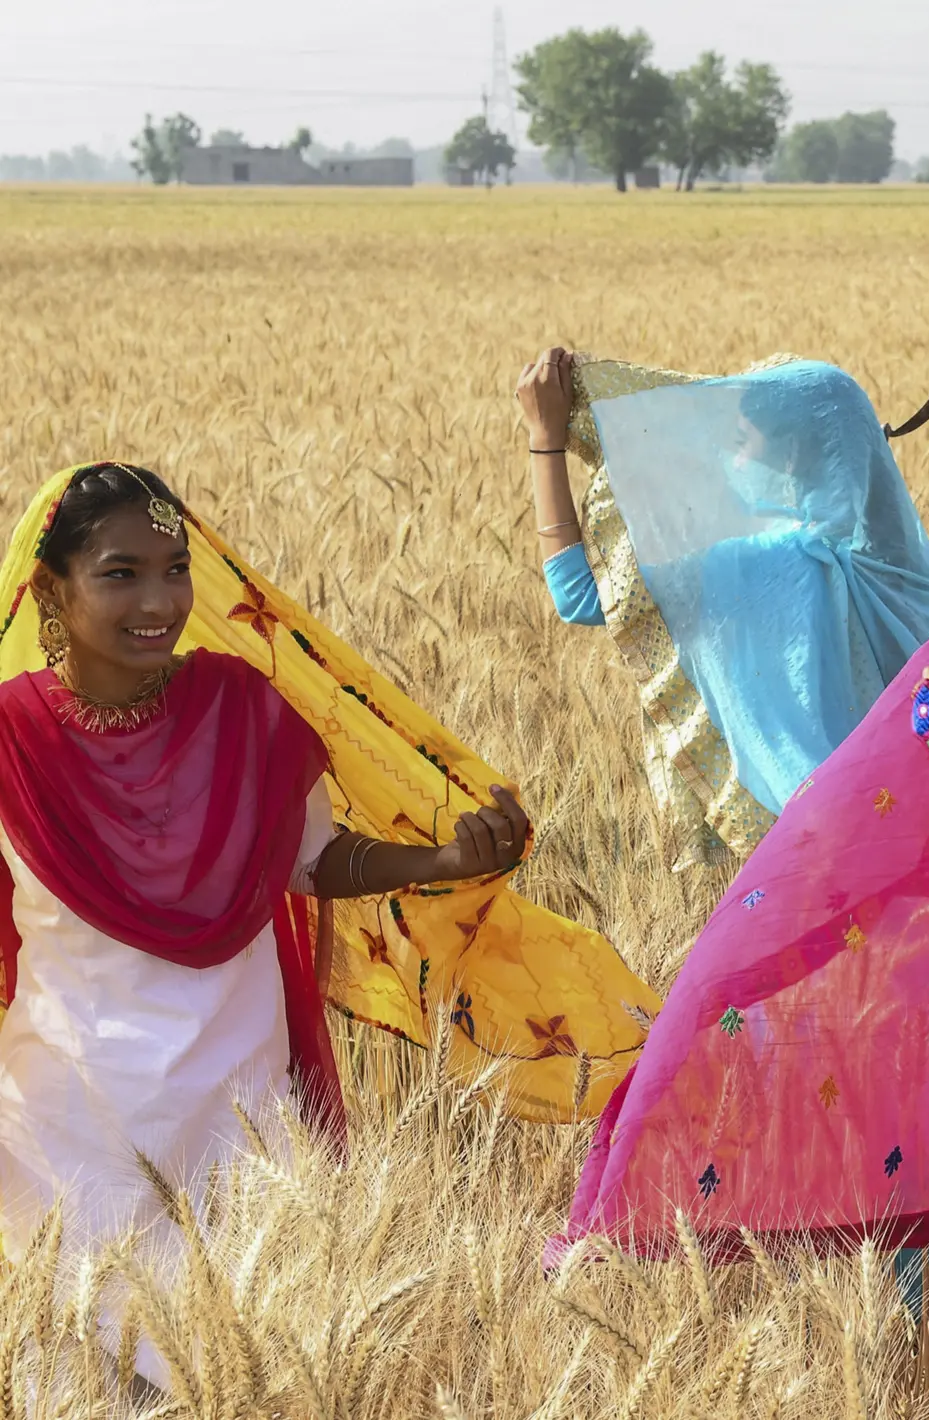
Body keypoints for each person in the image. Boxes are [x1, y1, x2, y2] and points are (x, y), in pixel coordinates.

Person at [0, 461, 654, 1384]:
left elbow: (312, 859)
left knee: (244, 1359)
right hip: (72, 1116)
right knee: (80, 1371)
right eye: (120, 573)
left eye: (176, 568)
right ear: (50, 589)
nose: (160, 599)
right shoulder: (8, 739)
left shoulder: (240, 707)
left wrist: (442, 863)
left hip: (235, 1099)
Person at [517, 348, 929, 864]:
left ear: (791, 458)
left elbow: (578, 593)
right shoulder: (914, 574)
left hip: (809, 860)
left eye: (741, 440)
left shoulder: (765, 569)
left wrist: (545, 443)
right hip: (915, 840)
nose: (728, 458)